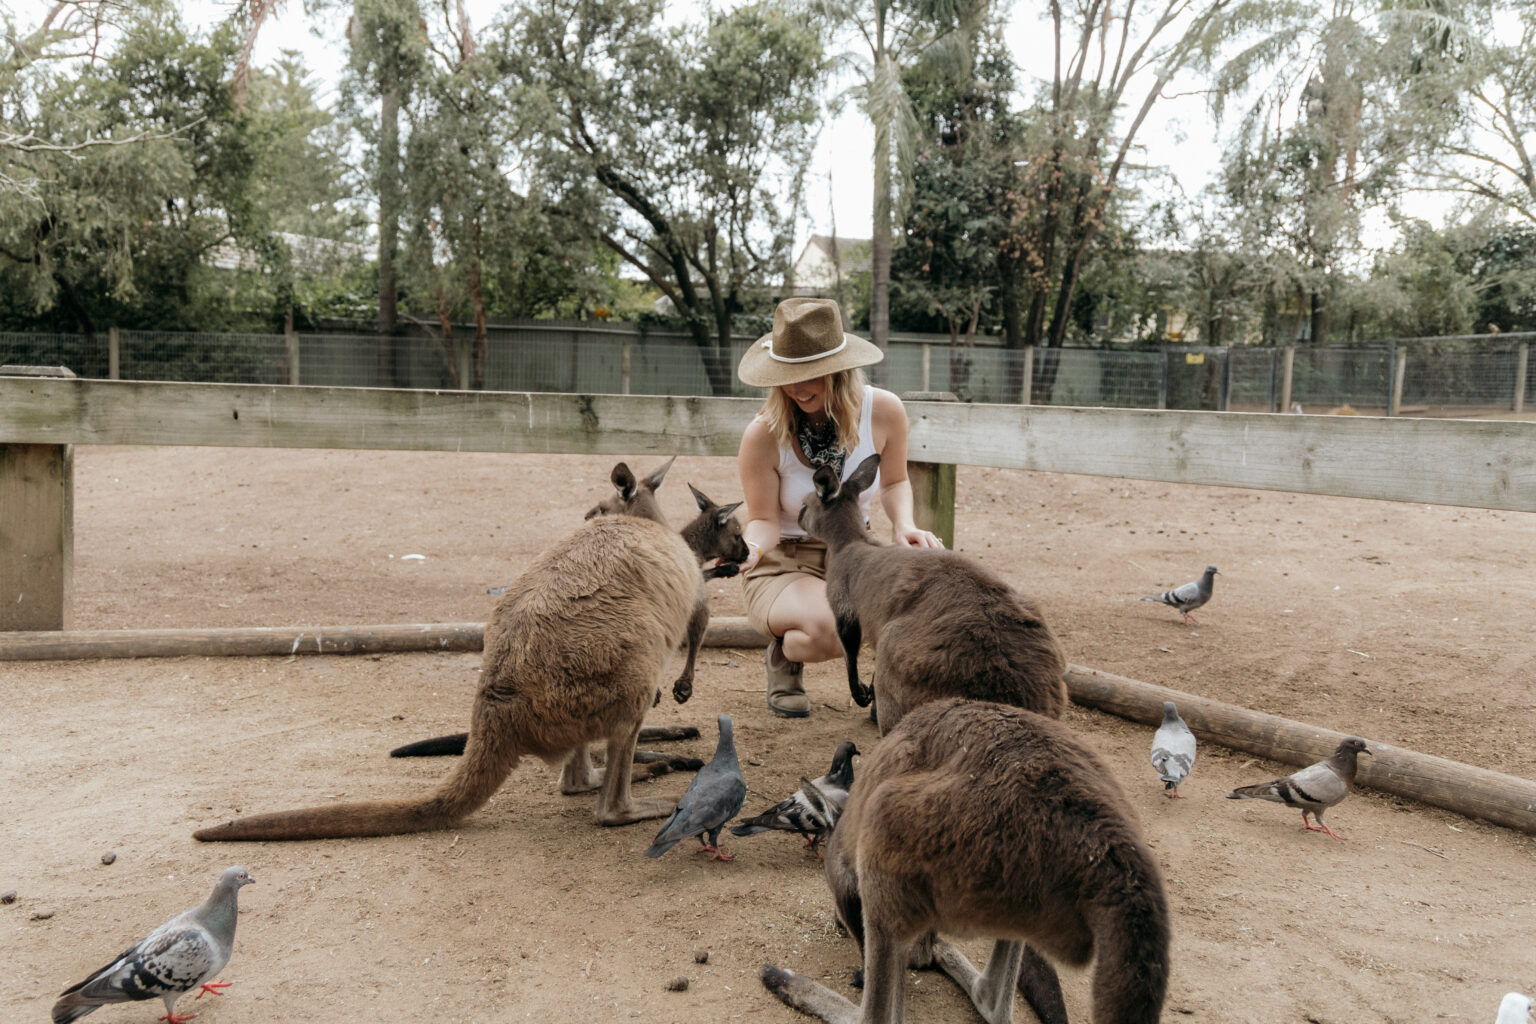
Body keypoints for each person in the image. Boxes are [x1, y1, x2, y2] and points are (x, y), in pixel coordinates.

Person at [735, 296, 944, 717]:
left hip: (855, 552)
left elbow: (896, 481)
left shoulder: (882, 410)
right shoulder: (763, 434)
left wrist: (904, 524)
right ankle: (784, 655)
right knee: (832, 628)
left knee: (921, 599)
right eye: (787, 374)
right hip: (785, 562)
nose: (797, 386)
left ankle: (892, 694)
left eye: (810, 373)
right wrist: (748, 551)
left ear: (839, 369)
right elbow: (763, 520)